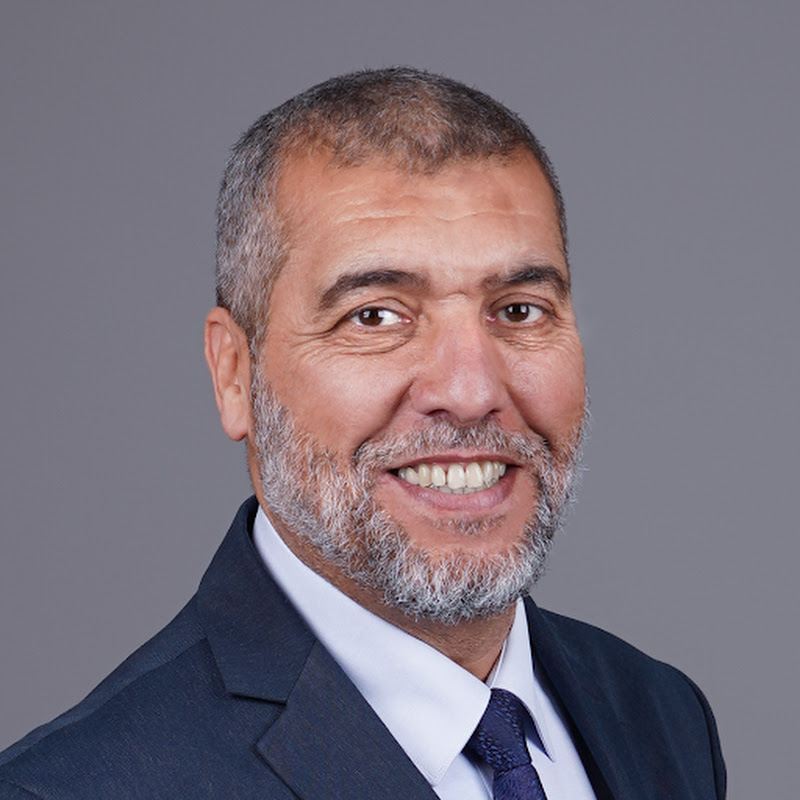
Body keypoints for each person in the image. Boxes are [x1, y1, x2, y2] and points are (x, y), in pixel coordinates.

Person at [0, 67, 725, 799]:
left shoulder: (663, 718)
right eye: (374, 316)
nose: (470, 392)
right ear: (234, 374)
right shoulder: (71, 787)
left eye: (518, 310)